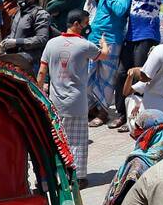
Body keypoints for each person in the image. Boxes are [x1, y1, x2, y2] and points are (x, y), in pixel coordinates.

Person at [38, 10, 109, 183]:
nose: (87, 27)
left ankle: (52, 176)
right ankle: (77, 178)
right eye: (85, 23)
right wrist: (104, 43)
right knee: (77, 142)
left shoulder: (51, 44)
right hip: (76, 103)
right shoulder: (85, 45)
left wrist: (39, 95)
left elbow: (41, 72)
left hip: (55, 103)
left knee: (55, 140)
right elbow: (104, 55)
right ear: (76, 24)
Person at [117, 0, 163, 130]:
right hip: (130, 35)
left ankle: (138, 116)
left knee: (140, 78)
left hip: (147, 36)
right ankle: (122, 113)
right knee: (122, 74)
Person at [87, 0, 132, 126]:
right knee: (89, 75)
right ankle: (91, 108)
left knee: (107, 77)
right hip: (95, 37)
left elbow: (119, 10)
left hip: (112, 40)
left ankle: (103, 112)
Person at [0, 0, 52, 74]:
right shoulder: (17, 13)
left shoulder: (40, 14)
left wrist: (17, 42)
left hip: (29, 63)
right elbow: (14, 33)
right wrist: (7, 41)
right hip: (14, 60)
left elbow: (41, 39)